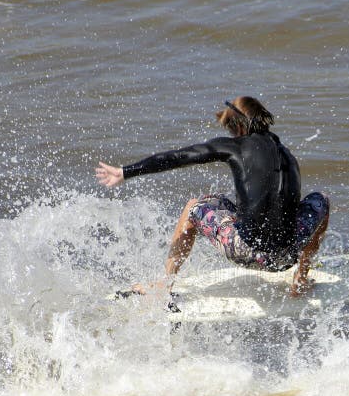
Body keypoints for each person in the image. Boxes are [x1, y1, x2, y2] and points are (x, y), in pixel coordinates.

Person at [95, 96, 329, 297]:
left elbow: (180, 156)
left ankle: (163, 285)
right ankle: (299, 281)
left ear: (238, 128)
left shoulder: (236, 146)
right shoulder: (286, 155)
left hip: (245, 250)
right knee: (321, 201)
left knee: (194, 206)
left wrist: (125, 172)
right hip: (287, 255)